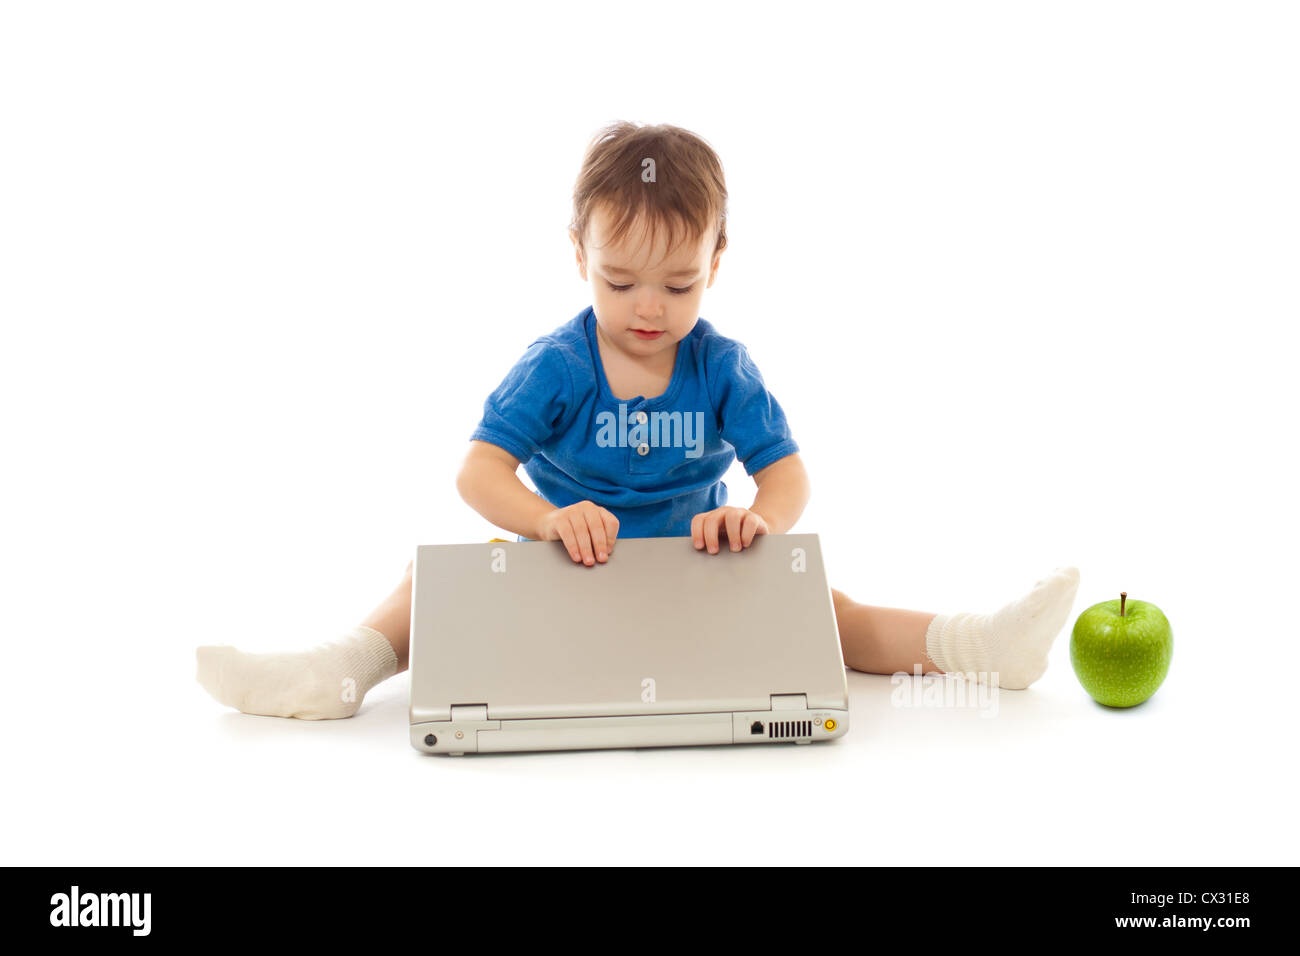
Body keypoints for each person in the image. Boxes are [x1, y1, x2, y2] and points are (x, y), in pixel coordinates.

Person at [196, 121, 1079, 720]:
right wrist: (548, 518)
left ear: (717, 263)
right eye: (619, 283)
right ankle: (337, 670)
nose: (648, 309)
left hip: (696, 572)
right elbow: (477, 472)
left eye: (679, 285)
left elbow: (789, 475)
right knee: (427, 584)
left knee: (827, 607)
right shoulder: (559, 364)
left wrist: (757, 520)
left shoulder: (722, 365)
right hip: (565, 572)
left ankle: (980, 647)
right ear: (579, 257)